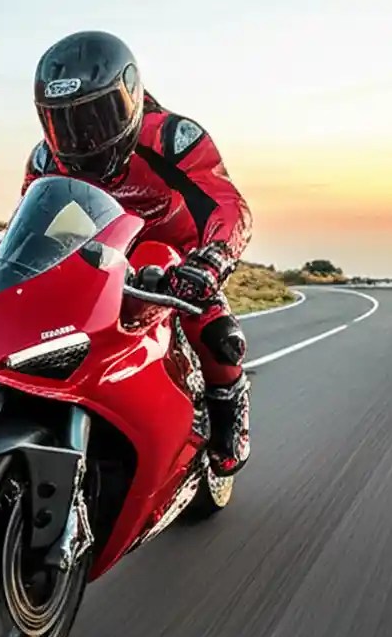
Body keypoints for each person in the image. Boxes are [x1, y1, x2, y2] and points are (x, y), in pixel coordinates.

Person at [22, 31, 253, 476]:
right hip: (100, 252)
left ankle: (231, 410)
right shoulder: (46, 161)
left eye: (96, 116)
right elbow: (32, 224)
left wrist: (211, 259)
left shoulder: (171, 137)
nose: (81, 136)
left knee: (217, 335)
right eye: (63, 121)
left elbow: (226, 202)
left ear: (130, 98)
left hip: (180, 251)